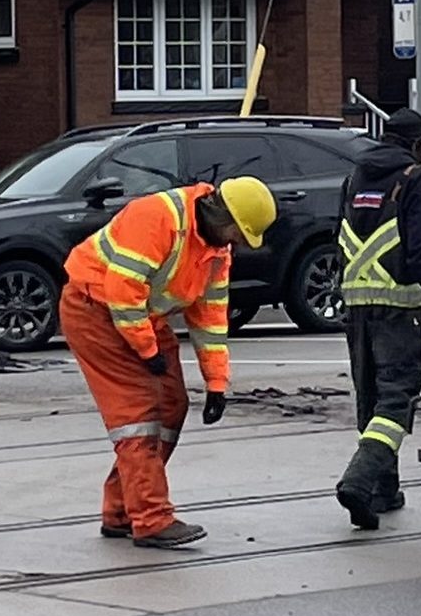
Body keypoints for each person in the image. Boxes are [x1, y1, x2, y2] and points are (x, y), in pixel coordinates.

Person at [60, 175, 276, 549]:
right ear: (220, 214)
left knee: (172, 405)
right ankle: (150, 518)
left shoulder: (216, 250)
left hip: (142, 317)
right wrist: (148, 352)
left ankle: (122, 510)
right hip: (94, 309)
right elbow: (121, 293)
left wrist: (216, 383)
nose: (236, 244)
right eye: (237, 234)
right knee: (137, 416)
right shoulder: (157, 217)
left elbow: (210, 319)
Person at [333, 109, 421, 530]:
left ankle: (383, 491)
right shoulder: (417, 182)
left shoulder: (354, 178)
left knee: (369, 396)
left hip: (356, 309)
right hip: (397, 310)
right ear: (418, 146)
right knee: (395, 399)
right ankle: (360, 480)